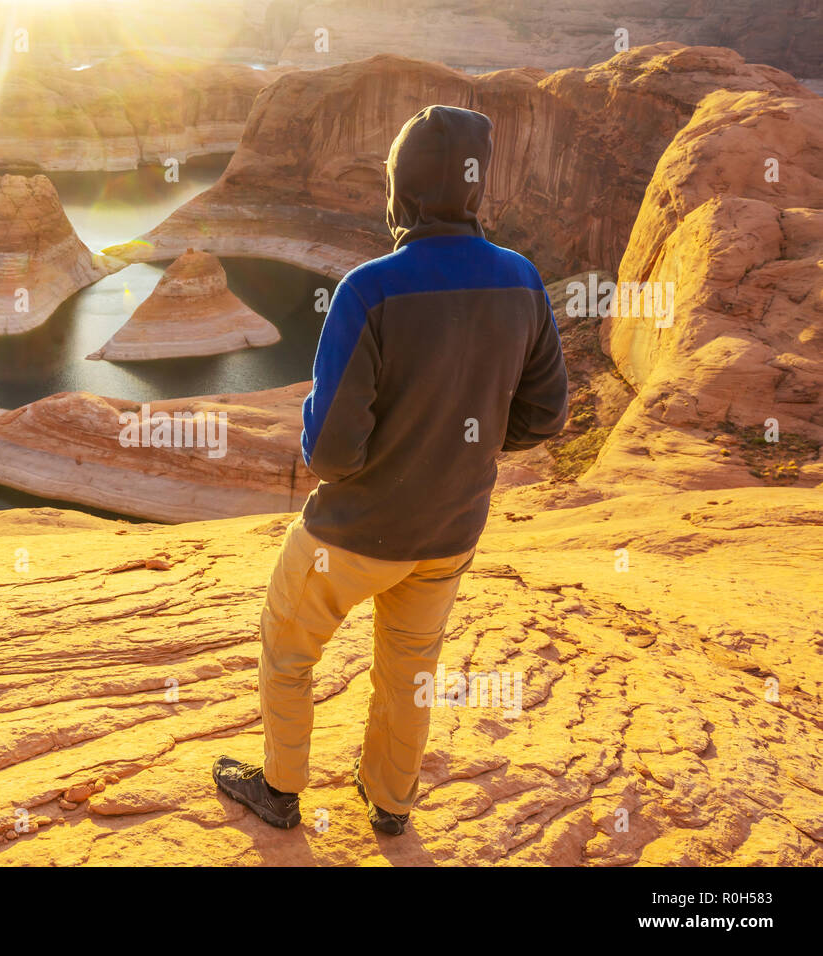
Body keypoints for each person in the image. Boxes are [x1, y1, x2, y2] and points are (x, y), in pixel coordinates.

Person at [212, 105, 569, 834]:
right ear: (474, 186)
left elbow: (334, 451)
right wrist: (460, 447)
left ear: (401, 188)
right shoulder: (524, 281)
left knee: (288, 647)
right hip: (450, 533)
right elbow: (544, 418)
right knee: (410, 670)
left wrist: (330, 442)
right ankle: (390, 801)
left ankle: (280, 789)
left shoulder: (369, 289)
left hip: (351, 535)